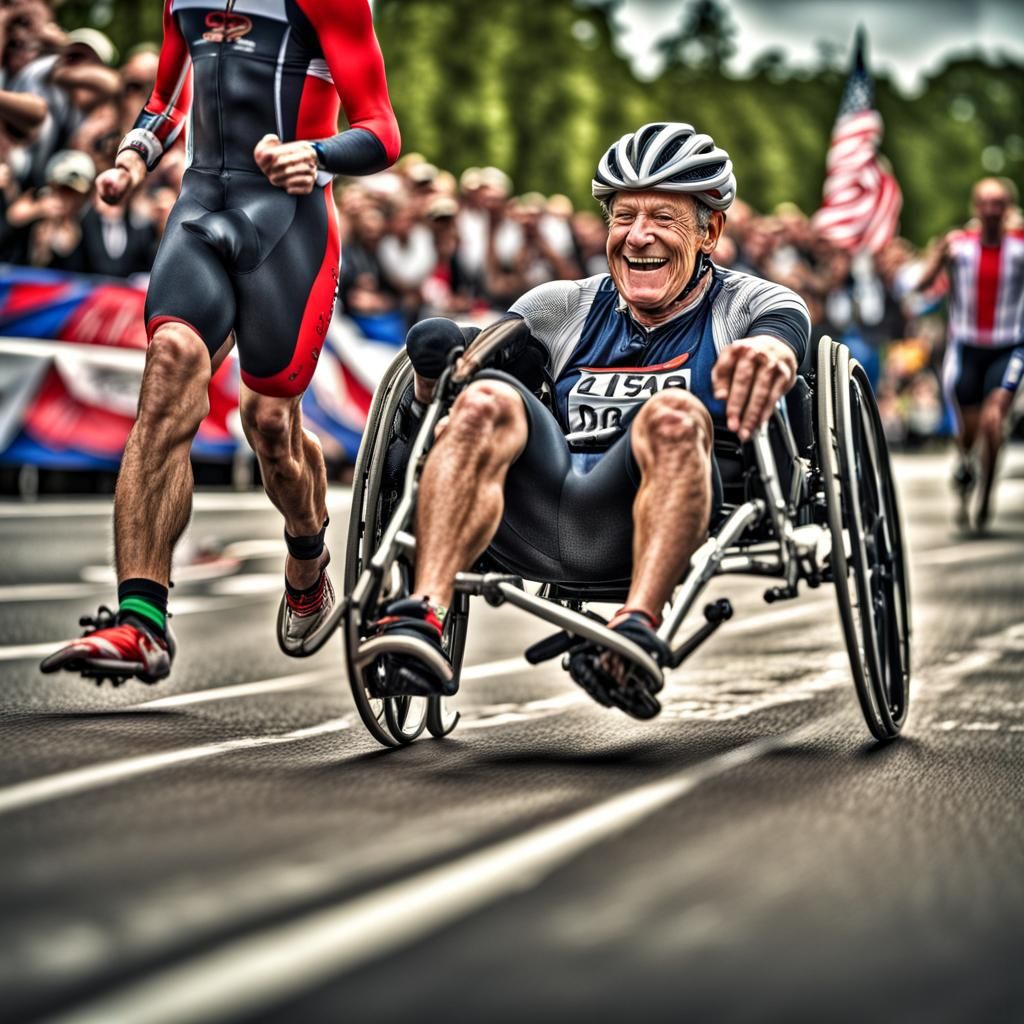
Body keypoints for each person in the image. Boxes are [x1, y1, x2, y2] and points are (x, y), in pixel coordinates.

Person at [373, 122, 811, 719]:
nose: (638, 237)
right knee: (486, 399)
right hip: (539, 507)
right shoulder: (560, 305)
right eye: (624, 216)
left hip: (657, 512)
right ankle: (423, 613)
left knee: (675, 413)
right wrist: (436, 377)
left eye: (663, 217)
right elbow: (474, 368)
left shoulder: (751, 304)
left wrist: (771, 352)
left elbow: (785, 333)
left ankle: (635, 630)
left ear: (710, 230)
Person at [41, 0, 400, 685]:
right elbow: (166, 98)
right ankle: (141, 619)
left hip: (287, 224)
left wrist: (316, 155)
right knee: (170, 363)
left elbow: (381, 131)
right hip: (201, 208)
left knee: (268, 424)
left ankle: (308, 552)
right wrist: (132, 156)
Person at [915, 177, 1024, 531]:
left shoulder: (1019, 247)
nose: (991, 211)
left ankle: (987, 496)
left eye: (998, 204)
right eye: (985, 204)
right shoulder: (960, 247)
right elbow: (921, 285)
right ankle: (966, 465)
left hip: (1008, 346)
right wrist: (937, 259)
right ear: (976, 208)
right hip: (966, 348)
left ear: (1007, 208)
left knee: (994, 420)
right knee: (969, 431)